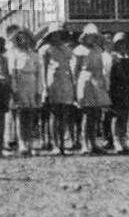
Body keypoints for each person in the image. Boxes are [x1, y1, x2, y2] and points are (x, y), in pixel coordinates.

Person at [72, 24, 111, 154]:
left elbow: (102, 68)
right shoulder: (78, 50)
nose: (92, 38)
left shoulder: (98, 50)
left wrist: (103, 83)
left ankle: (93, 142)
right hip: (85, 80)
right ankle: (84, 143)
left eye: (94, 36)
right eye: (90, 36)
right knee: (87, 113)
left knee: (96, 114)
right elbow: (75, 70)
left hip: (97, 80)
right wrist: (75, 87)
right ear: (85, 37)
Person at [7, 28, 43, 157]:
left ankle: (30, 142)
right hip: (20, 83)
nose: (24, 41)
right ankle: (21, 142)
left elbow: (39, 74)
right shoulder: (13, 54)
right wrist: (14, 90)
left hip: (32, 83)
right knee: (20, 115)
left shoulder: (34, 55)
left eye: (26, 38)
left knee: (31, 115)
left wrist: (39, 91)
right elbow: (13, 74)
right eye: (21, 38)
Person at [41, 23, 74, 155]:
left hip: (65, 82)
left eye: (59, 34)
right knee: (54, 115)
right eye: (54, 34)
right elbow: (43, 69)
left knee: (64, 114)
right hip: (52, 82)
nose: (57, 37)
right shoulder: (46, 49)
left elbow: (70, 68)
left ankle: (62, 144)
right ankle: (55, 144)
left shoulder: (66, 50)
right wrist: (44, 88)